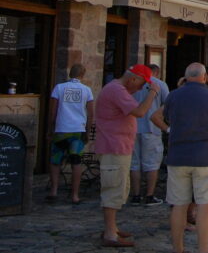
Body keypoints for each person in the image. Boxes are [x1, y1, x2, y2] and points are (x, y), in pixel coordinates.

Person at [152, 62, 208, 253]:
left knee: (178, 206)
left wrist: (168, 130)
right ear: (204, 77)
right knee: (205, 207)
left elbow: (156, 116)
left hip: (177, 157)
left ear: (186, 76)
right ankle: (203, 249)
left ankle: (178, 249)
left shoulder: (174, 96)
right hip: (204, 158)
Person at [95, 64, 159, 248]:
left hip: (118, 146)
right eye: (141, 84)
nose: (140, 88)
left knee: (119, 188)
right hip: (113, 146)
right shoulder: (116, 90)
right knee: (113, 189)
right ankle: (109, 234)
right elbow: (139, 112)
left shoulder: (117, 89)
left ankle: (112, 228)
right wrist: (152, 93)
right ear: (133, 78)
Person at [46, 63, 94, 205]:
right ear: (82, 75)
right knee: (76, 162)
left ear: (70, 74)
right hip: (77, 130)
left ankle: (54, 191)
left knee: (56, 161)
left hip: (61, 129)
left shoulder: (59, 88)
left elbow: (53, 110)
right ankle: (75, 195)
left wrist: (50, 128)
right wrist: (88, 130)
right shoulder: (87, 90)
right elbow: (91, 113)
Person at [129, 64, 169, 206]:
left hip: (133, 127)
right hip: (152, 128)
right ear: (156, 72)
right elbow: (168, 104)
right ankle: (149, 195)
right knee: (151, 163)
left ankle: (136, 194)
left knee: (135, 163)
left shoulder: (133, 83)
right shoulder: (159, 84)